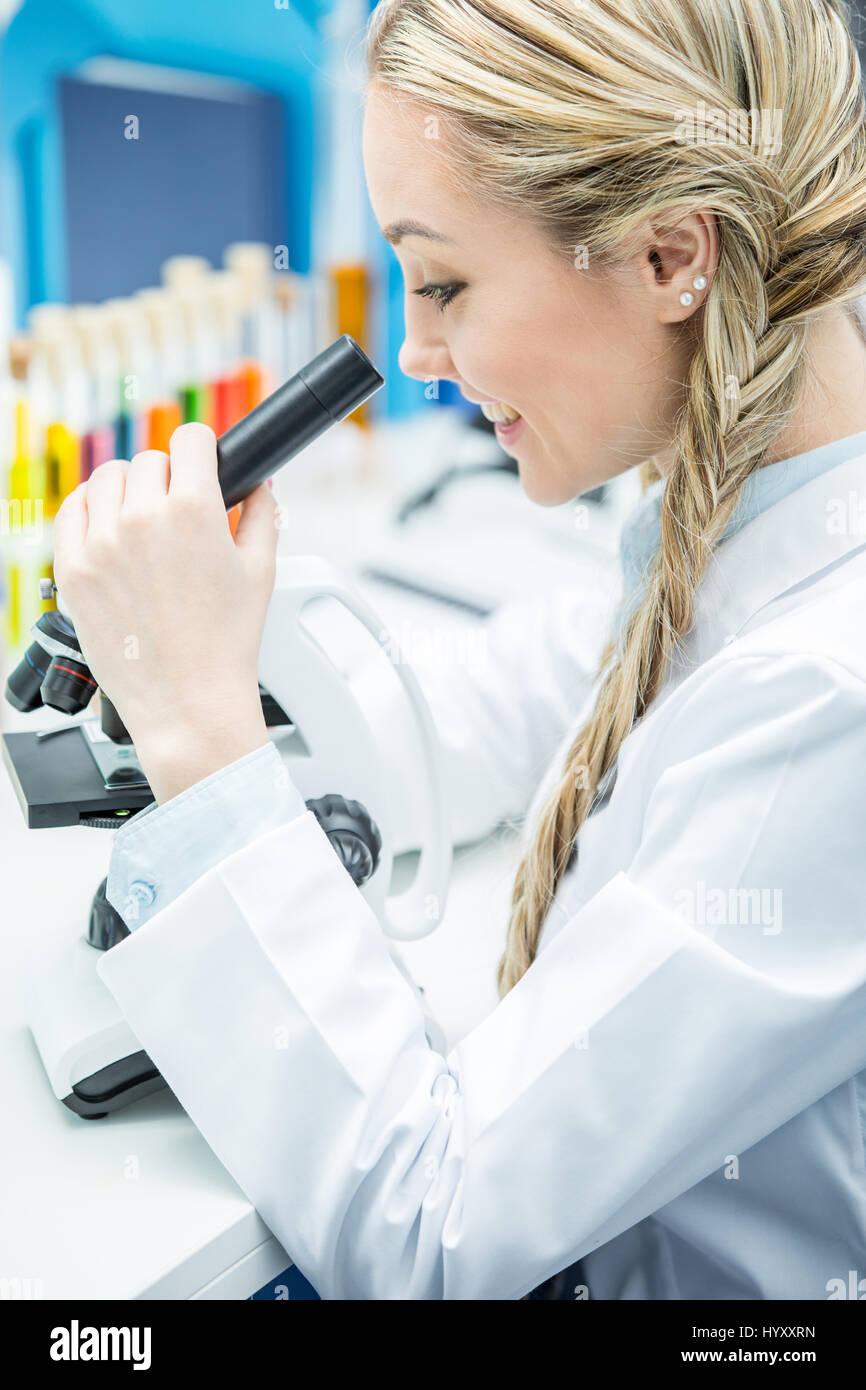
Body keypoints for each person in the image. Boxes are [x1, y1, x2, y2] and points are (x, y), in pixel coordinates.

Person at [52, 0, 866, 1299]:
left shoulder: (828, 693)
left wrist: (205, 737)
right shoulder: (732, 529)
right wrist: (205, 682)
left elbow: (433, 1232)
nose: (419, 356)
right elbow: (504, 701)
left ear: (669, 255)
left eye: (441, 282)